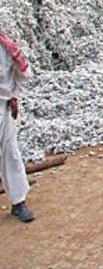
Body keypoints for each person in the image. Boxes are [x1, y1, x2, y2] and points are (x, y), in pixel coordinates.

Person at [0, 32, 34, 222]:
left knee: (10, 154)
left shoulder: (6, 49)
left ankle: (18, 201)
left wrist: (14, 96)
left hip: (2, 107)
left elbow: (24, 74)